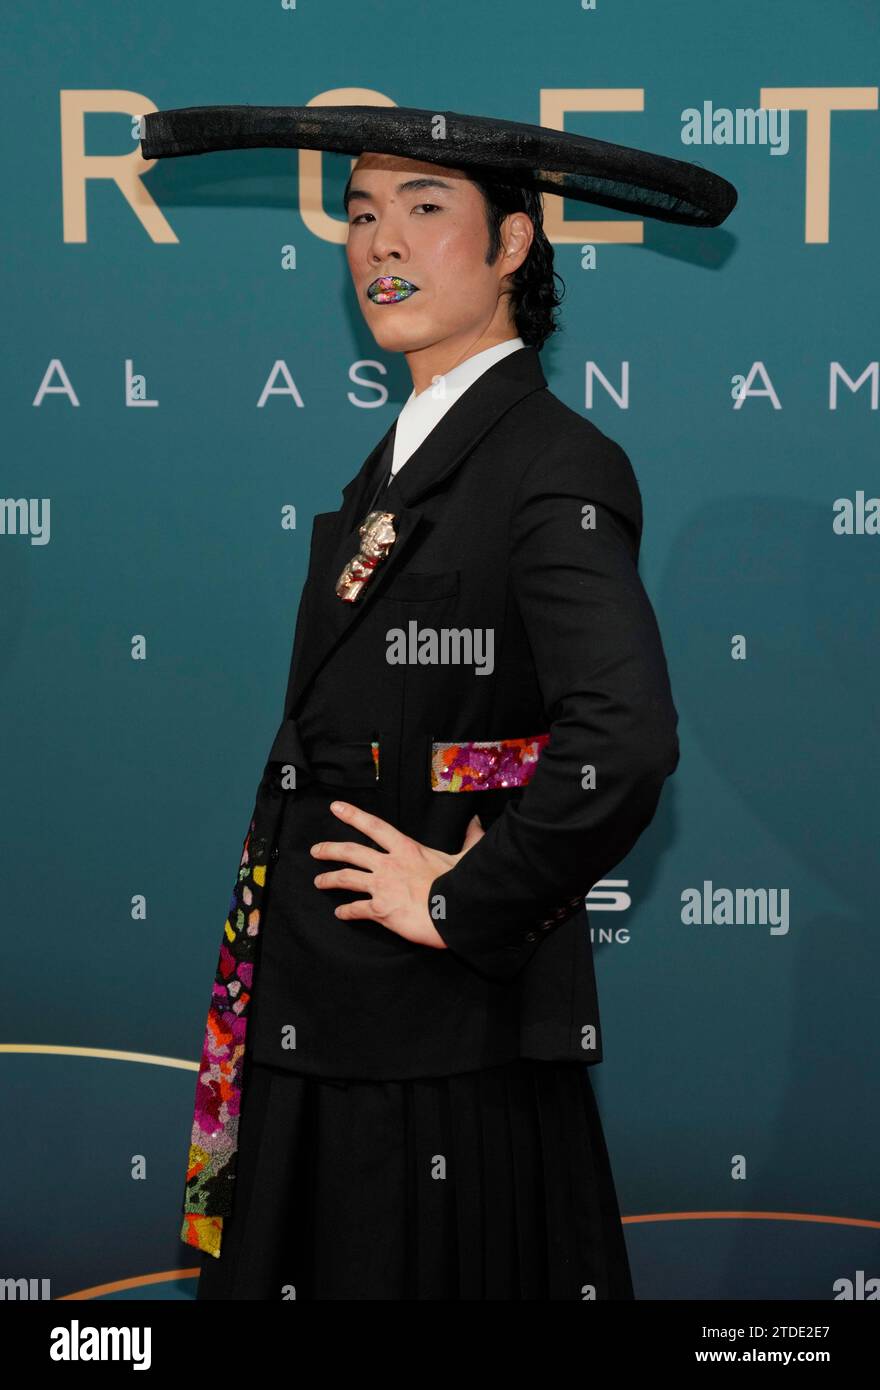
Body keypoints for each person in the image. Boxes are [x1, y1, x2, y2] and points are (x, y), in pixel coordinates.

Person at [139, 104, 737, 1300]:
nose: (379, 243)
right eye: (361, 213)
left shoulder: (551, 460)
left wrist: (466, 897)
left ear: (513, 245)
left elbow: (622, 737)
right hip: (335, 1010)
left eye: (423, 208)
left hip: (428, 1042)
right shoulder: (404, 454)